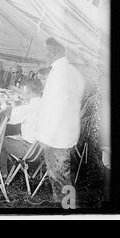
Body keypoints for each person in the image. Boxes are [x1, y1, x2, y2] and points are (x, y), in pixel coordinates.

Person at [35, 37, 84, 203]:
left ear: (52, 51)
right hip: (67, 133)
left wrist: (47, 137)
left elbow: (56, 109)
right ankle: (65, 205)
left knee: (60, 177)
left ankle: (67, 208)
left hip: (57, 136)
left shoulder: (58, 73)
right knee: (61, 176)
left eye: (45, 51)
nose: (43, 54)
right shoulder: (72, 71)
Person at [0, 78, 43, 177]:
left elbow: (8, 117)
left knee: (1, 141)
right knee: (15, 135)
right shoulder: (46, 105)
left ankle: (3, 172)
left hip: (28, 150)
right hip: (41, 150)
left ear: (29, 91)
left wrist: (5, 106)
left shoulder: (28, 109)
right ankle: (14, 166)